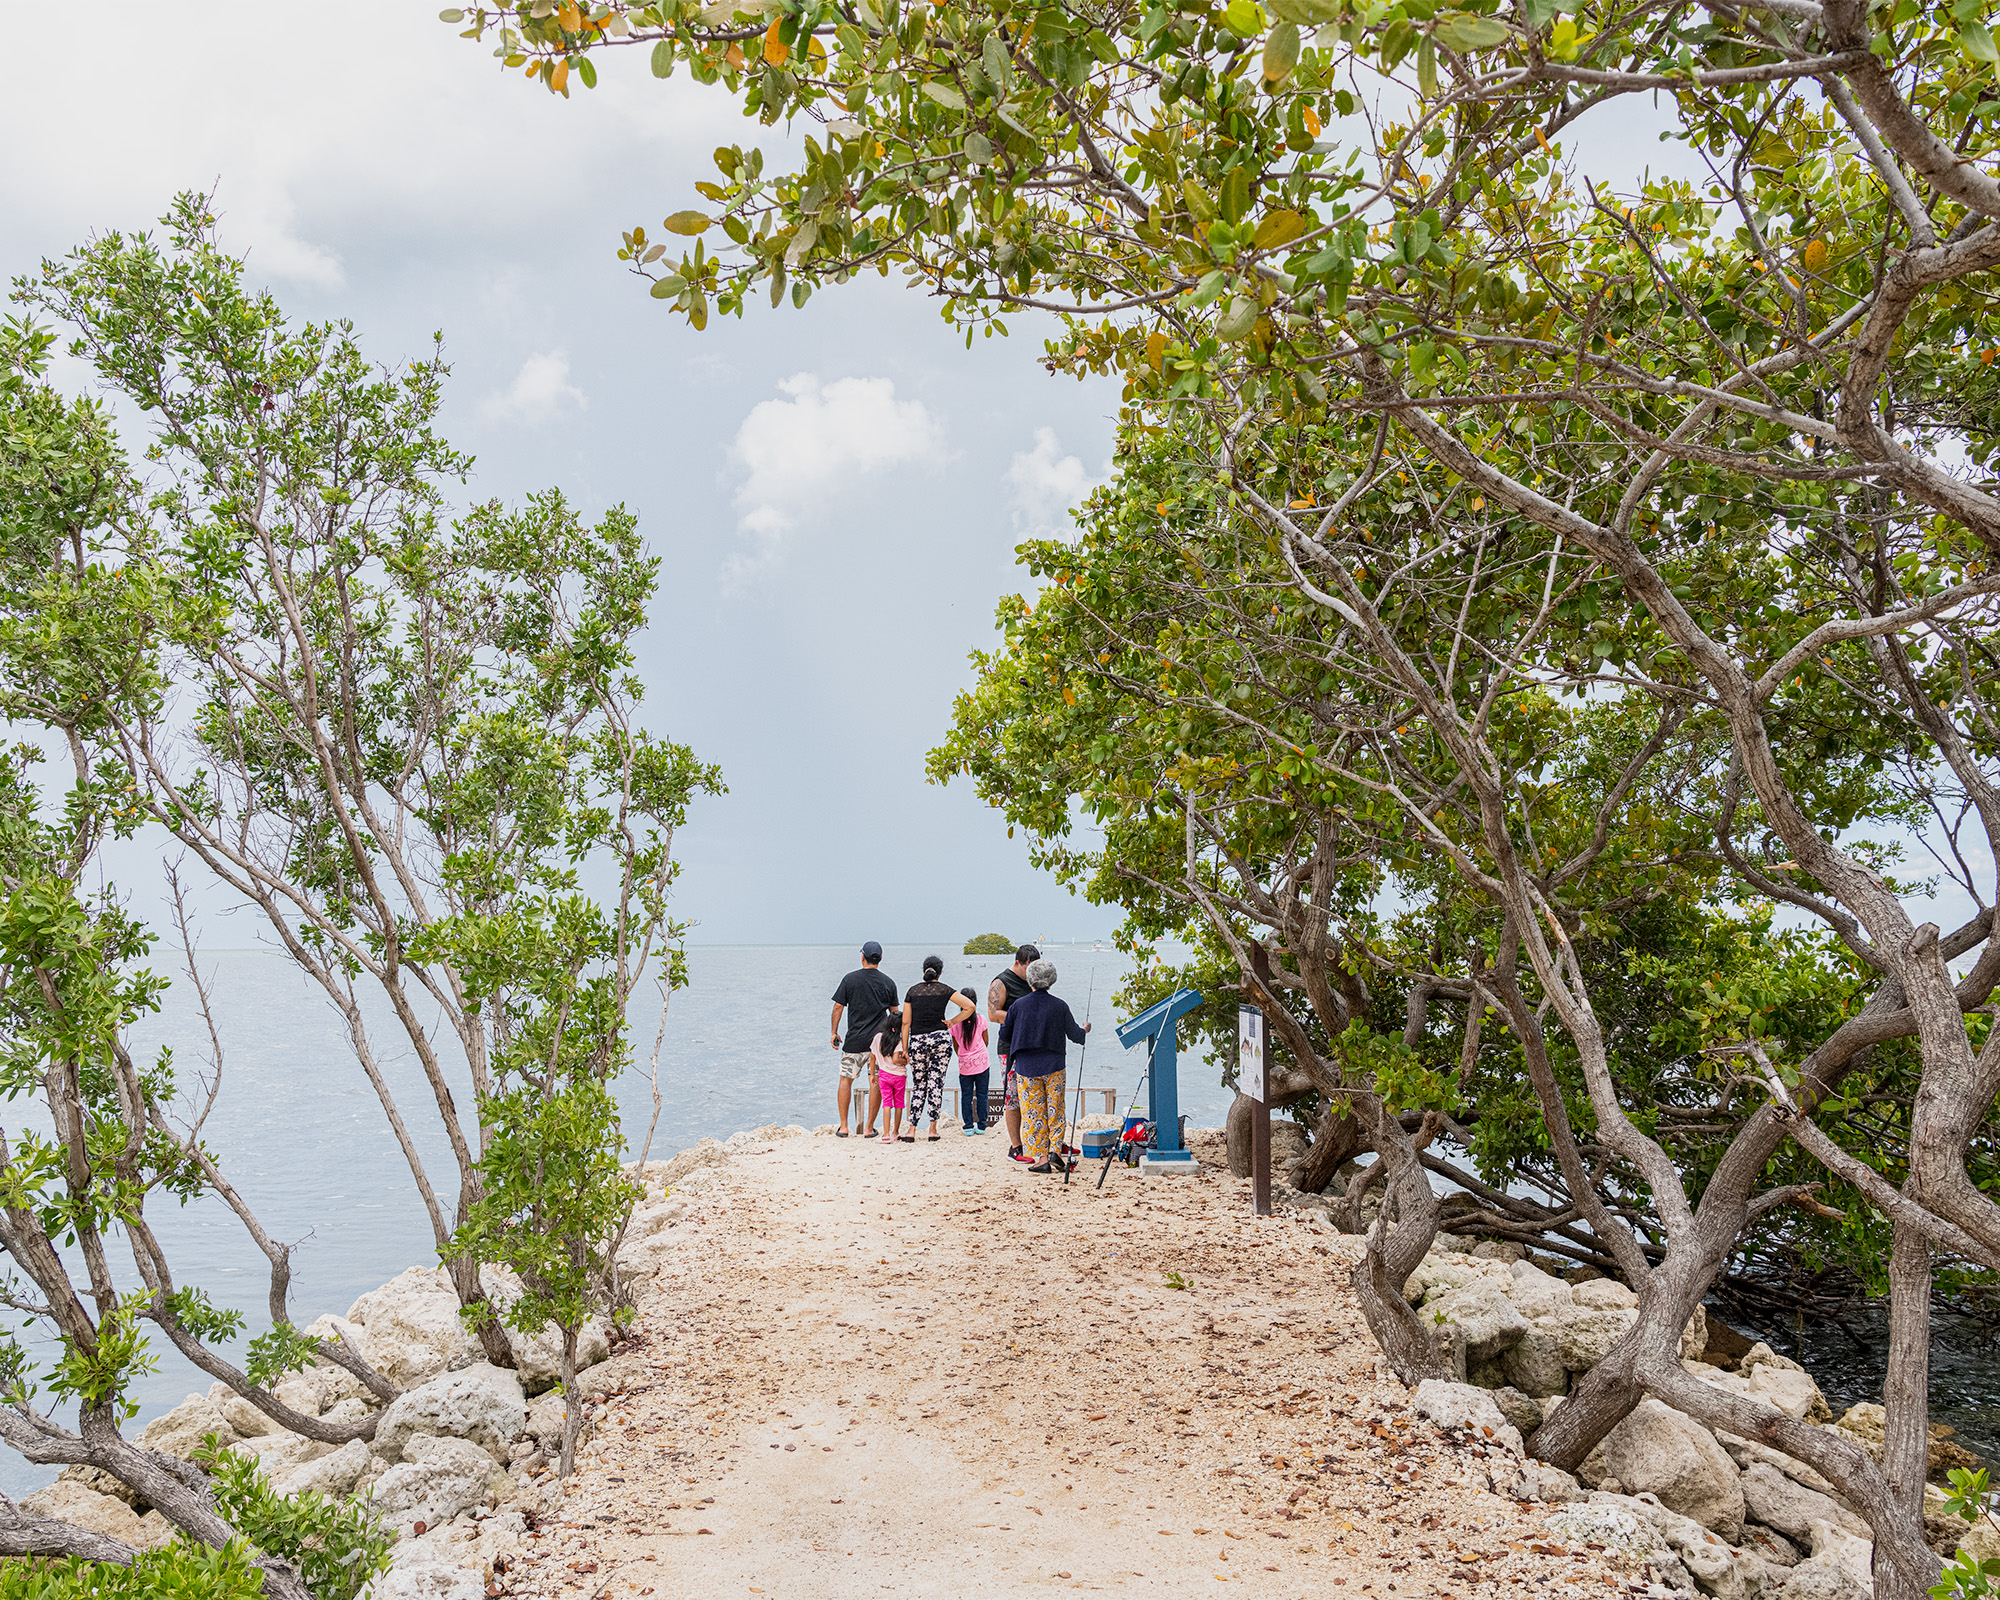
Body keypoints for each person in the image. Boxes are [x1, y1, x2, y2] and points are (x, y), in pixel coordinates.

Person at [1002, 958, 1090, 1174]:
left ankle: (1042, 1158)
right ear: (1051, 981)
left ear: (1030, 979)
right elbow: (1076, 1036)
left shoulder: (1018, 1006)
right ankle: (1056, 1153)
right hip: (1055, 1066)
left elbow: (1004, 1034)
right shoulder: (1059, 1006)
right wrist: (1085, 1028)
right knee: (1056, 1110)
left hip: (1026, 1067)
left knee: (1034, 1112)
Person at [900, 956, 977, 1143]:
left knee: (919, 1085)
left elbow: (905, 1022)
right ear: (940, 973)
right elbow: (970, 1006)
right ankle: (933, 1129)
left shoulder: (912, 991)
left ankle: (912, 1129)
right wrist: (952, 1021)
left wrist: (904, 1048)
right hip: (940, 1040)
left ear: (924, 970)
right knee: (936, 1084)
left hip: (918, 1041)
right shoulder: (945, 989)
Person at [830, 942, 896, 1137]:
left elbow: (838, 1008)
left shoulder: (849, 980)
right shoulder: (888, 982)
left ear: (862, 957)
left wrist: (834, 1032)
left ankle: (843, 1127)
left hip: (854, 1041)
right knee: (875, 1082)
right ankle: (868, 1128)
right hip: (879, 1043)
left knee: (845, 1079)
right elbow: (895, 1014)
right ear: (880, 959)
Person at [987, 943, 1038, 1163]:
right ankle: (1016, 1147)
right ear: (1019, 962)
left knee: (1036, 1095)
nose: (1031, 974)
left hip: (1034, 1045)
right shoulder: (1001, 982)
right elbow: (992, 1014)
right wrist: (1021, 1016)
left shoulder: (1033, 981)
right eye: (1029, 968)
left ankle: (1041, 1142)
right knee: (1012, 1097)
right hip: (1010, 1047)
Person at [951, 987, 990, 1136]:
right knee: (982, 1095)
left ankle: (968, 1126)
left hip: (965, 1065)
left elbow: (956, 1046)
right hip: (982, 1063)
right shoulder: (981, 1019)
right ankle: (981, 1126)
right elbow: (985, 1041)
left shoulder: (955, 1024)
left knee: (966, 1096)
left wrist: (963, 1055)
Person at [872, 1012, 908, 1144]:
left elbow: (873, 1056)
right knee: (899, 1104)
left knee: (886, 1103)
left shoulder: (877, 1037)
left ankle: (886, 1134)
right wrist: (906, 1060)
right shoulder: (899, 1041)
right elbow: (895, 1059)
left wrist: (872, 1074)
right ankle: (896, 1132)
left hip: (884, 1075)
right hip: (898, 1076)